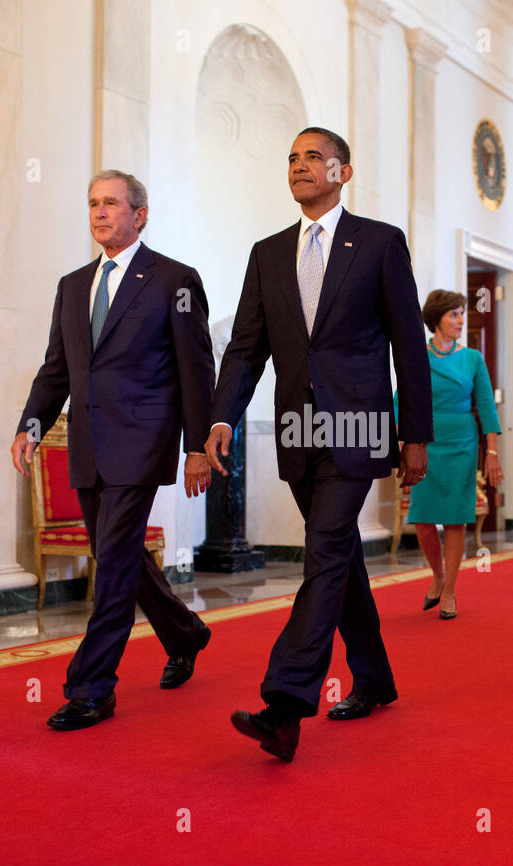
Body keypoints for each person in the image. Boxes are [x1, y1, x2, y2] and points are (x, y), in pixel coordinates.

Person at [205, 127, 432, 762]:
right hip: (298, 431)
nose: (300, 167)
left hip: (360, 428)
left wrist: (415, 434)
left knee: (324, 550)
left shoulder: (381, 244)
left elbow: (407, 347)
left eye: (313, 157)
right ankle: (376, 677)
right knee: (340, 560)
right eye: (293, 159)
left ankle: (285, 704)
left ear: (343, 172)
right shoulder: (267, 253)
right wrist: (223, 418)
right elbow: (246, 347)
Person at [10, 170, 216, 730]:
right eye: (93, 204)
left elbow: (196, 370)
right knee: (117, 554)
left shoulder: (175, 279)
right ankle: (185, 631)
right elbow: (58, 368)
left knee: (115, 563)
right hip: (87, 444)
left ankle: (92, 687)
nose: (100, 213)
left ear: (139, 214)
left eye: (111, 203)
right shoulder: (72, 285)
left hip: (142, 443)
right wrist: (32, 424)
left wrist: (197, 447)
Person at [395, 289, 502, 620]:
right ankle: (437, 574)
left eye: (462, 313)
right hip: (425, 442)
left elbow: (485, 405)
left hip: (462, 444)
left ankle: (451, 589)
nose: (460, 320)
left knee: (456, 517)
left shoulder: (472, 359)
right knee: (423, 517)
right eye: (454, 314)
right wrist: (400, 445)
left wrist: (492, 451)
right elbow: (402, 401)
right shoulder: (416, 356)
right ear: (436, 319)